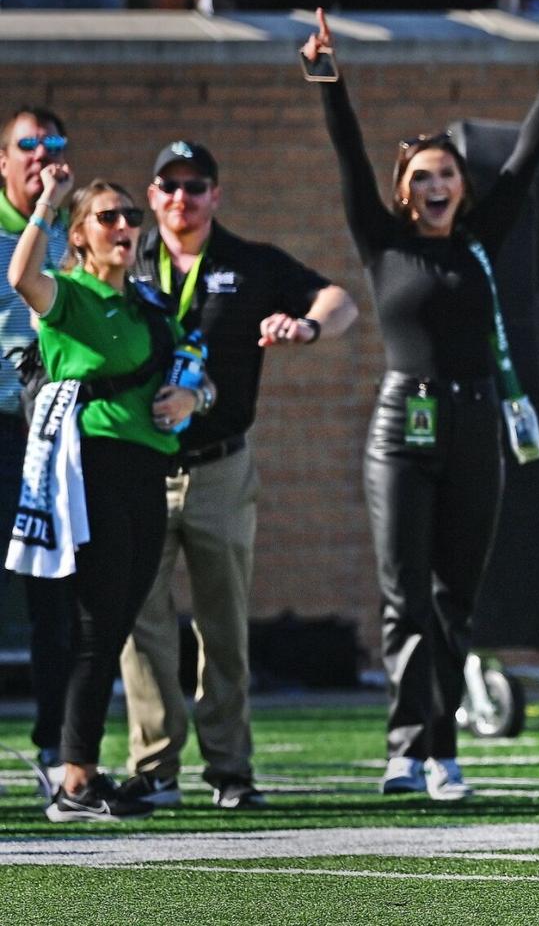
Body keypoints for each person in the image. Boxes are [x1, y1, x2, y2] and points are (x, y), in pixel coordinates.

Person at [303, 9, 539, 798]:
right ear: (405, 192)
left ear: (462, 186)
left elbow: (527, 165)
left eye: (448, 174)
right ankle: (408, 748)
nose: (436, 187)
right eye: (422, 177)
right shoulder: (382, 241)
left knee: (453, 597)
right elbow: (346, 158)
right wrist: (328, 80)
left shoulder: (479, 237)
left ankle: (443, 752)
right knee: (405, 594)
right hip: (403, 427)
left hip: (476, 424)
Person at [114, 139, 358, 811]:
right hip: (139, 465)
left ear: (216, 195)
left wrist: (306, 328)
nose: (181, 199)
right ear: (152, 193)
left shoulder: (250, 264)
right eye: (168, 187)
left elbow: (340, 301)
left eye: (195, 186)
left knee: (222, 625)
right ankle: (155, 766)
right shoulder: (126, 262)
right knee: (142, 625)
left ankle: (229, 769)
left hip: (219, 464)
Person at [8, 167, 205, 821]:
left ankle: (79, 771)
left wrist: (192, 396)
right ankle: (74, 778)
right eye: (109, 218)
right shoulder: (68, 294)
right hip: (89, 465)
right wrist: (49, 204)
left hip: (148, 468)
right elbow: (19, 279)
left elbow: (190, 368)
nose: (125, 227)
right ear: (82, 235)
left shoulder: (148, 305)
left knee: (118, 623)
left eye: (131, 218)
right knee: (96, 627)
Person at [0, 106, 72, 785]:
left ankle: (55, 745)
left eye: (53, 145)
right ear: (3, 160)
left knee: (53, 593)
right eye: (27, 144)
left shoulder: (74, 235)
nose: (41, 155)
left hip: (47, 439)